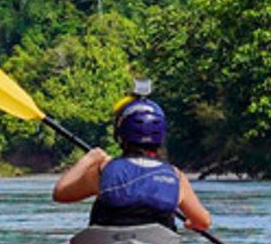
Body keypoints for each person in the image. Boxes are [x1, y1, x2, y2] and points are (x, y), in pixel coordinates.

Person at [52, 89, 212, 231]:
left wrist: (89, 158)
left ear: (120, 134)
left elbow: (60, 193)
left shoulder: (103, 170)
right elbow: (204, 222)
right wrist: (191, 224)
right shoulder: (175, 176)